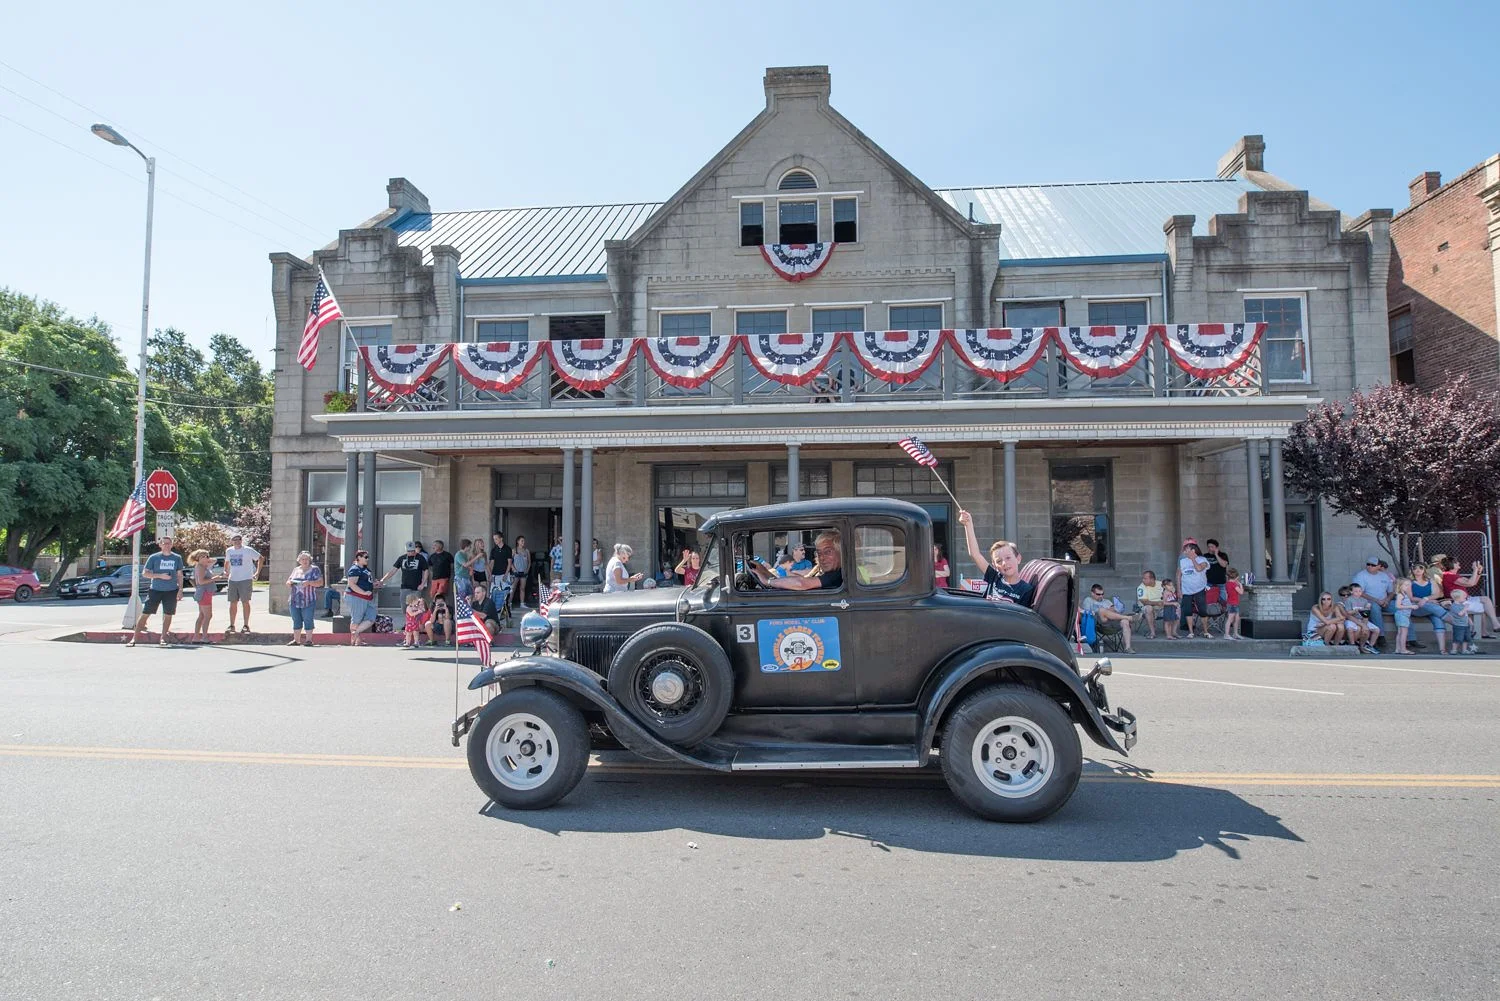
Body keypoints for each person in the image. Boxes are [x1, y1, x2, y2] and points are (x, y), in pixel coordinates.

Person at [956, 510, 1033, 607]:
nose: (1004, 563)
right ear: (995, 566)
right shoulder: (994, 577)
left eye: (1008, 558)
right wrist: (968, 525)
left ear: (1018, 559)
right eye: (999, 561)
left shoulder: (1026, 590)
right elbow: (975, 554)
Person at [127, 536, 185, 648]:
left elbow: (179, 574)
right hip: (155, 589)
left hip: (171, 590)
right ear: (160, 545)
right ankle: (134, 638)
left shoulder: (177, 558)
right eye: (164, 543)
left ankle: (163, 637)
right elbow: (145, 573)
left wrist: (180, 590)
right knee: (145, 613)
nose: (166, 545)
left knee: (168, 614)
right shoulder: (154, 557)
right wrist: (160, 576)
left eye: (168, 543)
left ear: (171, 544)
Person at [749, 530, 844, 591]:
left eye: (828, 552)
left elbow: (802, 583)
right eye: (819, 553)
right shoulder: (819, 570)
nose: (822, 557)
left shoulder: (838, 574)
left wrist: (767, 582)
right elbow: (793, 581)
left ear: (840, 552)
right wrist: (763, 572)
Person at [1435, 557, 1499, 637]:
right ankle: (1490, 628)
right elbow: (1470, 583)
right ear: (1451, 565)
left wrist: (1479, 572)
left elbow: (1473, 582)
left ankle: (1490, 628)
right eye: (1456, 562)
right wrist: (1475, 570)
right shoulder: (1449, 575)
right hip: (1457, 602)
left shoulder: (1453, 575)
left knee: (1485, 599)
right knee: (1483, 605)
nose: (1458, 563)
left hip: (1464, 599)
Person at [343, 550, 389, 647]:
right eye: (365, 557)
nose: (367, 559)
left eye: (368, 557)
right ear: (358, 558)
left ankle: (355, 633)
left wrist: (374, 585)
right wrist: (363, 592)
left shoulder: (366, 569)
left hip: (367, 597)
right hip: (356, 597)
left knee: (371, 618)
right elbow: (351, 584)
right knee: (356, 619)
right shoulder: (355, 569)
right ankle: (355, 641)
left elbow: (365, 583)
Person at [223, 532, 262, 634]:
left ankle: (246, 625)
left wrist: (257, 572)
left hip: (245, 579)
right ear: (232, 541)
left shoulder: (248, 550)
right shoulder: (229, 551)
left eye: (238, 539)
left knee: (245, 602)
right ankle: (232, 625)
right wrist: (226, 571)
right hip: (232, 579)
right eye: (234, 540)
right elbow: (227, 562)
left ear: (241, 540)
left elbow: (260, 558)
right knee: (233, 602)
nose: (237, 541)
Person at [1079, 584, 1135, 653]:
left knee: (1125, 622)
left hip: (1113, 622)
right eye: (1098, 594)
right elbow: (1086, 613)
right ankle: (1128, 617)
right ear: (1092, 593)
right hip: (1100, 624)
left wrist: (1112, 610)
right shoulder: (1088, 600)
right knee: (1101, 610)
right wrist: (1105, 611)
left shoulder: (1107, 601)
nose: (1101, 596)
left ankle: (1128, 648)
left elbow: (1114, 611)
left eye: (1102, 594)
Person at [1408, 563, 1449, 654]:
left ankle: (1442, 649)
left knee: (1438, 618)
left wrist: (1426, 599)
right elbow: (1411, 598)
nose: (1418, 570)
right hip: (1415, 608)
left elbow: (1437, 594)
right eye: (1415, 568)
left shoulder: (1431, 581)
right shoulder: (1409, 582)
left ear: (1424, 570)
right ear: (1412, 570)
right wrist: (1425, 600)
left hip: (1430, 608)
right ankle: (1455, 622)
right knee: (1428, 605)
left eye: (1420, 568)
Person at [1352, 556, 1394, 642]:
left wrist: (1387, 600)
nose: (1370, 566)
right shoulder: (1360, 576)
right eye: (1368, 564)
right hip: (1368, 601)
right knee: (1374, 607)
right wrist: (1376, 600)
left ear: (1379, 566)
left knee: (1402, 608)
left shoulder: (1384, 576)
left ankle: (1410, 639)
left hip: (1385, 601)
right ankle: (1380, 636)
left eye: (1373, 565)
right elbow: (1359, 593)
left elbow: (1391, 592)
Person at [284, 550, 321, 647]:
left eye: (307, 559)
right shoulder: (296, 570)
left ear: (310, 560)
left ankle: (309, 640)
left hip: (308, 599)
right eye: (303, 559)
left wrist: (309, 583)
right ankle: (296, 640)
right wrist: (290, 583)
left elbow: (320, 583)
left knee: (308, 619)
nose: (305, 561)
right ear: (299, 560)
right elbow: (288, 581)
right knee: (296, 619)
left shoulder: (314, 569)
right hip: (294, 599)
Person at [1176, 539, 1211, 639]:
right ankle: (1191, 632)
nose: (1184, 552)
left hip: (1199, 589)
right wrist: (1179, 590)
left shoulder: (1203, 559)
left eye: (1187, 550)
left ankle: (1205, 631)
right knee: (1187, 611)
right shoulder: (1182, 561)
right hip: (1186, 590)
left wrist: (1193, 559)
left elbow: (1199, 569)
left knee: (1202, 611)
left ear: (1193, 550)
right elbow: (1179, 575)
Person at [188, 549, 224, 644]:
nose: (205, 558)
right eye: (202, 556)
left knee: (202, 615)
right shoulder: (200, 567)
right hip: (204, 593)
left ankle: (196, 637)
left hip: (205, 592)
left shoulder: (204, 566)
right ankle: (204, 637)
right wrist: (215, 578)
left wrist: (206, 559)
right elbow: (201, 582)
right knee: (208, 615)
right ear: (197, 558)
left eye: (206, 556)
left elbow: (215, 560)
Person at [1344, 582, 1381, 654]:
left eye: (1360, 591)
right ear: (1351, 592)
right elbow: (1348, 613)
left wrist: (1365, 624)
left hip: (1362, 619)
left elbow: (1366, 614)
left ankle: (1368, 645)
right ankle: (1352, 644)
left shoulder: (1364, 600)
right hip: (1352, 619)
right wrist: (1356, 610)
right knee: (1350, 629)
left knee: (1376, 630)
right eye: (1356, 591)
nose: (1358, 593)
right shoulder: (1349, 600)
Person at [392, 541, 429, 607]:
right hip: (405, 587)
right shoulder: (402, 558)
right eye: (408, 551)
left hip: (416, 587)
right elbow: (393, 571)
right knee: (404, 606)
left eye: (412, 551)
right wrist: (382, 580)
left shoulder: (420, 558)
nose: (411, 552)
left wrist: (423, 584)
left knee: (416, 606)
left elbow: (426, 571)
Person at [1443, 588, 1475, 654]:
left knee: (1466, 638)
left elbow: (1465, 614)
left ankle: (1464, 650)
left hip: (1465, 625)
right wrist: (1466, 608)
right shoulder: (1454, 606)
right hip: (1458, 625)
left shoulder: (1462, 605)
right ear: (1457, 598)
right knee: (1457, 638)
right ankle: (1454, 650)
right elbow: (1460, 614)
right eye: (1464, 597)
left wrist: (1470, 621)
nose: (1466, 599)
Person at [1136, 570, 1165, 638]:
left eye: (1145, 578)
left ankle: (1171, 632)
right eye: (1143, 578)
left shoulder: (1161, 584)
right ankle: (1152, 632)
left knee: (1176, 606)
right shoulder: (1141, 587)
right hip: (1146, 608)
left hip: (1162, 607)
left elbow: (1170, 593)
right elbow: (1144, 602)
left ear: (1152, 579)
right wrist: (1157, 603)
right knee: (1149, 608)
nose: (1143, 580)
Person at [427, 540, 454, 607]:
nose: (433, 547)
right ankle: (435, 605)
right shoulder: (432, 556)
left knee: (440, 592)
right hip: (434, 578)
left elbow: (452, 565)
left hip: (444, 578)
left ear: (440, 546)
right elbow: (429, 566)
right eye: (433, 545)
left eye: (435, 545)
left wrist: (448, 574)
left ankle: (434, 604)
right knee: (433, 593)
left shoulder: (447, 555)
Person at [1393, 578, 1415, 655]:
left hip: (1402, 615)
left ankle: (1398, 649)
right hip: (1402, 615)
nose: (1408, 587)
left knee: (1400, 632)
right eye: (1406, 585)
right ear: (1400, 586)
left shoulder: (1404, 594)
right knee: (1404, 633)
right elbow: (1398, 606)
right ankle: (1403, 649)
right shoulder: (1400, 595)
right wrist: (1410, 606)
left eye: (1409, 585)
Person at [1204, 539, 1229, 605]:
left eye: (1212, 547)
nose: (1210, 548)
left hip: (1221, 583)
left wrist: (1216, 555)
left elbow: (1224, 565)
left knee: (1223, 602)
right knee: (1209, 601)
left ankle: (1222, 614)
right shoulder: (1205, 556)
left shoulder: (1223, 555)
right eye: (1208, 547)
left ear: (1216, 548)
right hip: (1208, 583)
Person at [1223, 568, 1243, 640]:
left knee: (1237, 619)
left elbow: (1226, 594)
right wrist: (1240, 585)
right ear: (1236, 577)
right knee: (1230, 619)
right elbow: (1241, 592)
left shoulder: (1227, 584)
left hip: (1231, 603)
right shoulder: (1234, 585)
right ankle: (1226, 635)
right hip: (1233, 604)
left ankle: (1235, 634)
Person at [511, 537, 531, 608]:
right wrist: (513, 569)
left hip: (524, 572)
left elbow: (529, 562)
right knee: (513, 588)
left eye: (524, 541)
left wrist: (527, 570)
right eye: (522, 541)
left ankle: (522, 603)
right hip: (516, 572)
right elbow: (510, 562)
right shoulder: (514, 550)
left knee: (522, 588)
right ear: (518, 541)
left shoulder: (526, 551)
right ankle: (509, 603)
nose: (523, 542)